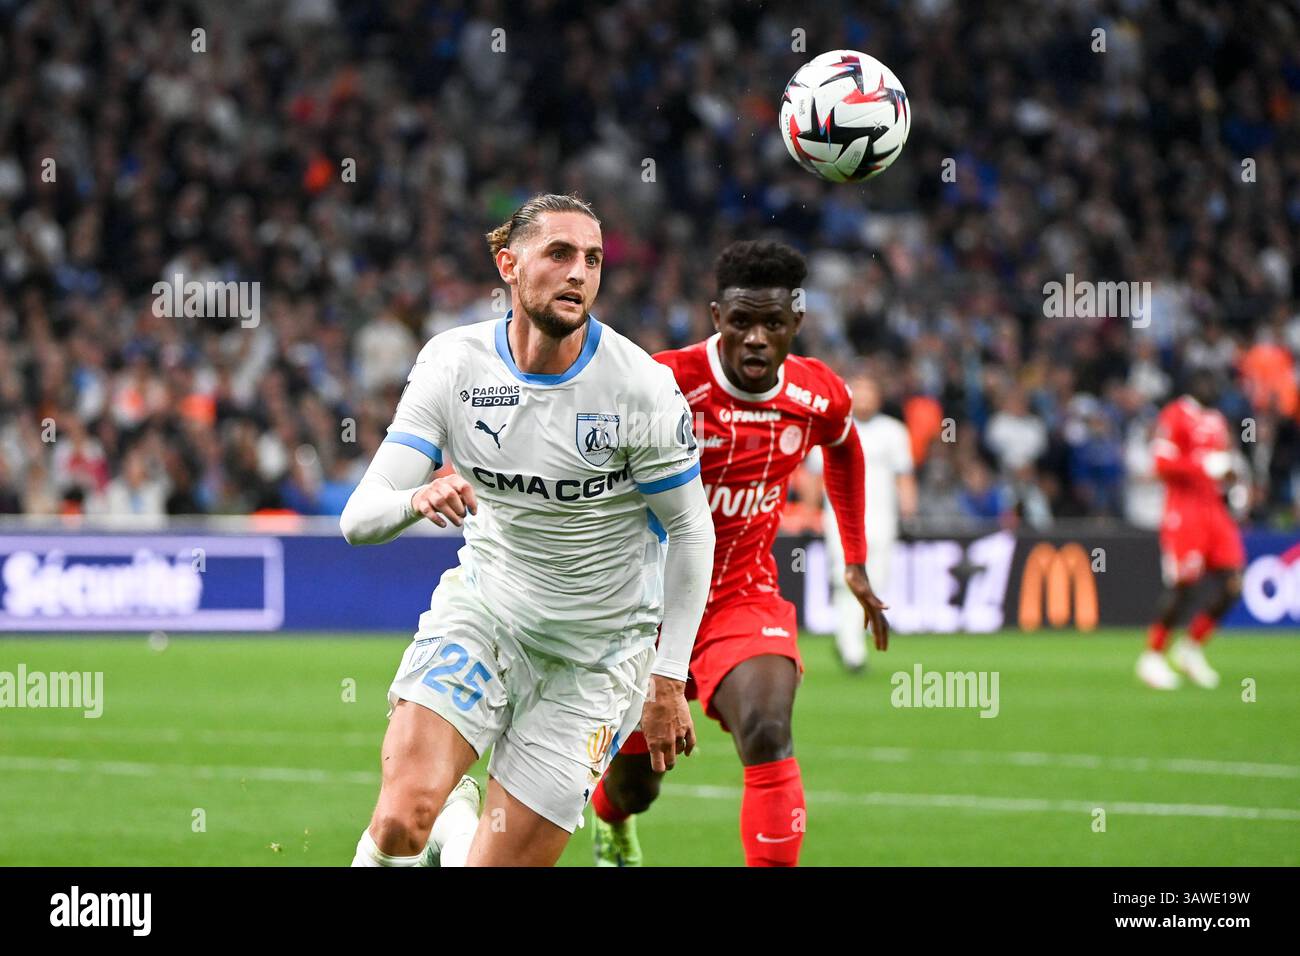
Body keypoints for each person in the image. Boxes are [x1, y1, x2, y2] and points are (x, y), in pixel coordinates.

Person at [340, 193, 715, 866]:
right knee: (400, 821)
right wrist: (417, 498)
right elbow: (358, 521)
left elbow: (690, 531)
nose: (579, 273)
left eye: (594, 260)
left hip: (598, 658)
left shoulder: (638, 388)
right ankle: (445, 828)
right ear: (509, 264)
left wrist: (668, 677)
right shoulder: (454, 364)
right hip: (487, 616)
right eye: (561, 254)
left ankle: (458, 840)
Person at [591, 240, 890, 867]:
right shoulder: (663, 383)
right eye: (741, 322)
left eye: (772, 324)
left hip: (740, 598)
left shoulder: (817, 394)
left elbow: (844, 448)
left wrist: (855, 561)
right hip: (642, 609)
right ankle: (611, 821)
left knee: (768, 731)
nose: (756, 338)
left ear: (795, 325)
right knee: (636, 786)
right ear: (715, 318)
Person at [1137, 369, 1245, 690]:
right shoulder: (1175, 414)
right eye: (1205, 379)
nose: (1211, 384)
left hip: (1214, 510)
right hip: (1185, 512)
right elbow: (1160, 464)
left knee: (1233, 583)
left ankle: (1191, 647)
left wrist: (1230, 483)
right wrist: (1203, 466)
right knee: (1185, 584)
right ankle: (1152, 656)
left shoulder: (1217, 419)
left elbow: (1221, 465)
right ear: (1192, 382)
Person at [806, 373, 916, 672]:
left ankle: (853, 634)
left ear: (878, 397)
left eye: (870, 391)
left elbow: (903, 475)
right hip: (840, 517)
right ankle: (851, 648)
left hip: (883, 518)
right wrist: (811, 509)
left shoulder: (893, 431)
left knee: (876, 580)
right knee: (846, 580)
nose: (865, 397)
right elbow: (815, 475)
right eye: (859, 391)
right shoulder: (834, 427)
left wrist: (908, 508)